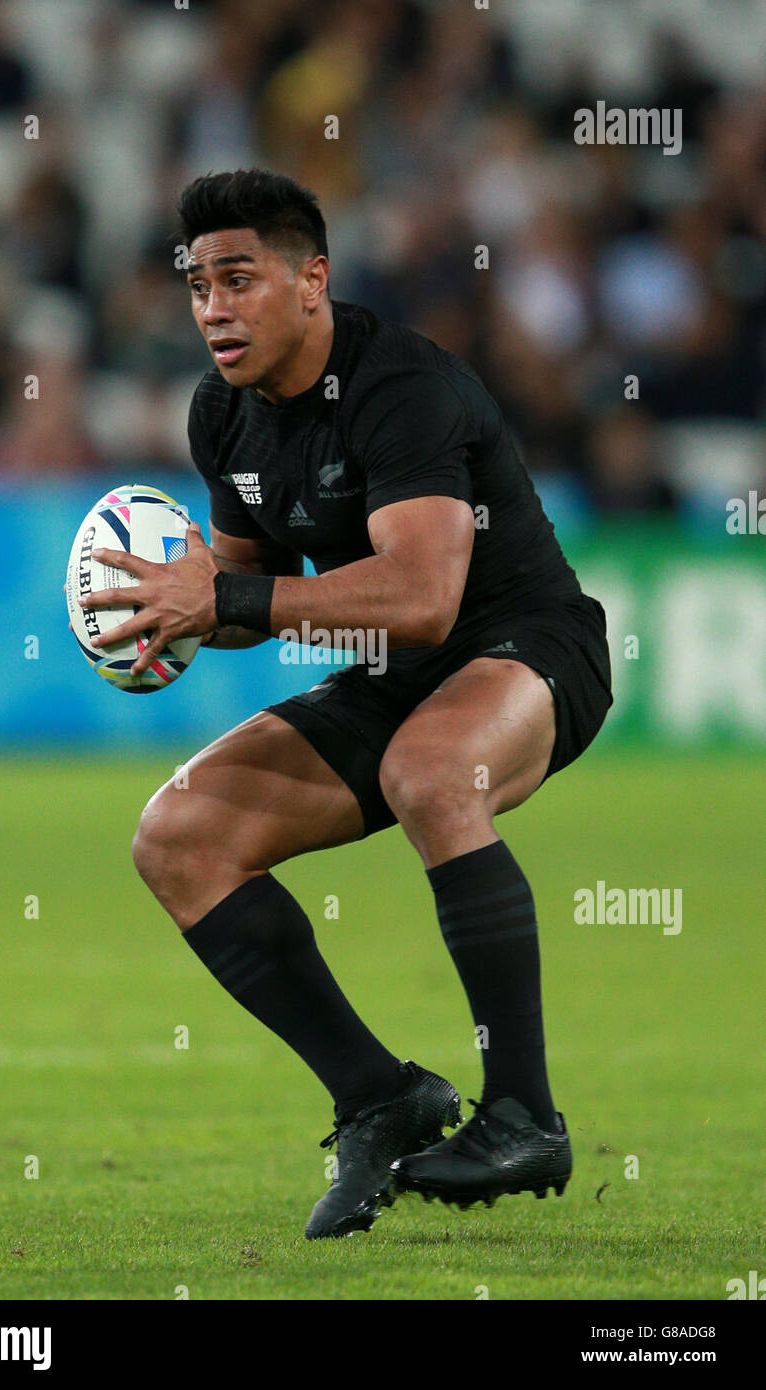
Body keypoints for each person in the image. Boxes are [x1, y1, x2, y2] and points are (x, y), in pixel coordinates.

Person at [79, 168, 613, 1239]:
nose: (213, 308)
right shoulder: (222, 414)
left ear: (311, 279)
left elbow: (422, 597)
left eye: (238, 278)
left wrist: (225, 593)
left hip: (523, 644)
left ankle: (521, 1114)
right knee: (178, 837)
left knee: (430, 770)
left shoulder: (400, 385)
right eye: (196, 285)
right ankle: (382, 1096)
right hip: (394, 673)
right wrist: (168, 612)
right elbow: (247, 582)